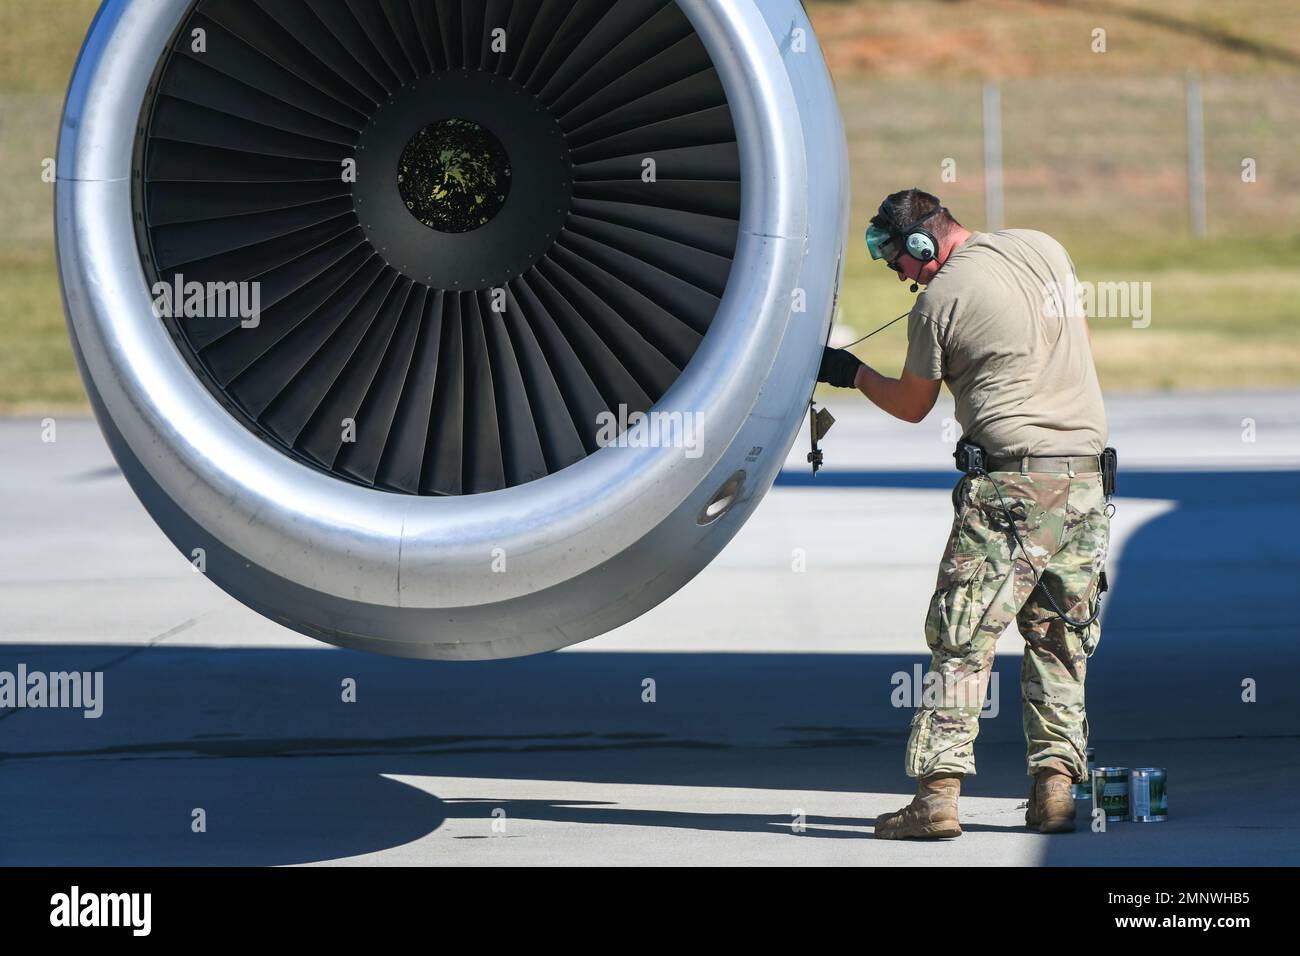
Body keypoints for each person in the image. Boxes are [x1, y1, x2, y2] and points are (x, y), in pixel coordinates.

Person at [818, 188, 1111, 838]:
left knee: (962, 641)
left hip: (1010, 490)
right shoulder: (1045, 249)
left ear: (921, 247)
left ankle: (937, 798)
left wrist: (849, 372)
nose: (899, 276)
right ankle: (1056, 793)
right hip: (1086, 485)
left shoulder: (938, 303)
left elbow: (911, 404)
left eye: (897, 262)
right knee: (1059, 643)